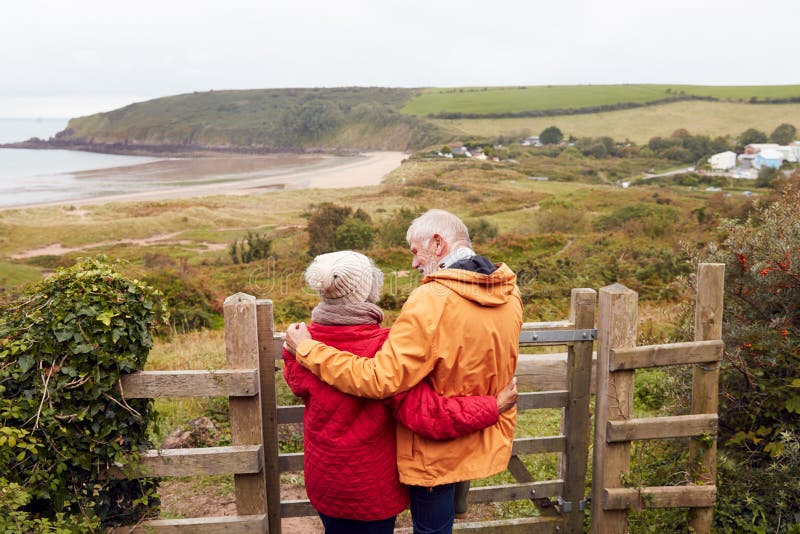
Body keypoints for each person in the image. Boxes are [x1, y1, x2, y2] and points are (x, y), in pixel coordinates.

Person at [285, 209, 523, 534]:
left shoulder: (431, 299)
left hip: (429, 452)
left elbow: (381, 379)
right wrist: (491, 407)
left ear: (438, 243)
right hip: (471, 435)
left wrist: (306, 349)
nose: (413, 263)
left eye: (415, 251)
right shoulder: (508, 292)